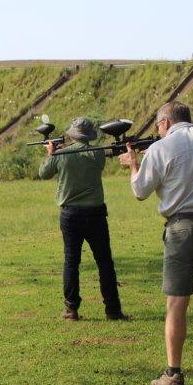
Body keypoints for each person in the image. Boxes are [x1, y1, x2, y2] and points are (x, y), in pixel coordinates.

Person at [118, 101, 193, 385]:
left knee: (176, 303)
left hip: (181, 227)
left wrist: (135, 165)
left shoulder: (159, 149)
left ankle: (174, 374)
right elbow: (187, 156)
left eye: (159, 127)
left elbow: (140, 191)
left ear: (165, 123)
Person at [39, 117, 126, 321]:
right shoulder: (97, 153)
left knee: (71, 261)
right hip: (95, 213)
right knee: (104, 262)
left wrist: (52, 153)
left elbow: (43, 173)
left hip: (70, 215)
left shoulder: (60, 154)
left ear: (72, 133)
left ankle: (71, 309)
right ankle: (112, 310)